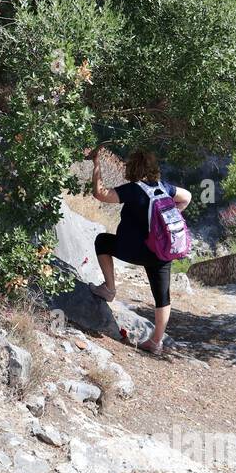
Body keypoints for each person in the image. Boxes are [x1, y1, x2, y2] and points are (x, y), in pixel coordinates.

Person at [87, 146, 191, 355]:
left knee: (102, 241)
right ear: (153, 168)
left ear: (133, 167)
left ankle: (109, 288)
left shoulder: (134, 189)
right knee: (163, 297)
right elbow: (187, 196)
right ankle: (156, 342)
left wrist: (96, 164)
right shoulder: (164, 188)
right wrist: (166, 219)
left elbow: (100, 193)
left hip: (134, 250)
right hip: (162, 251)